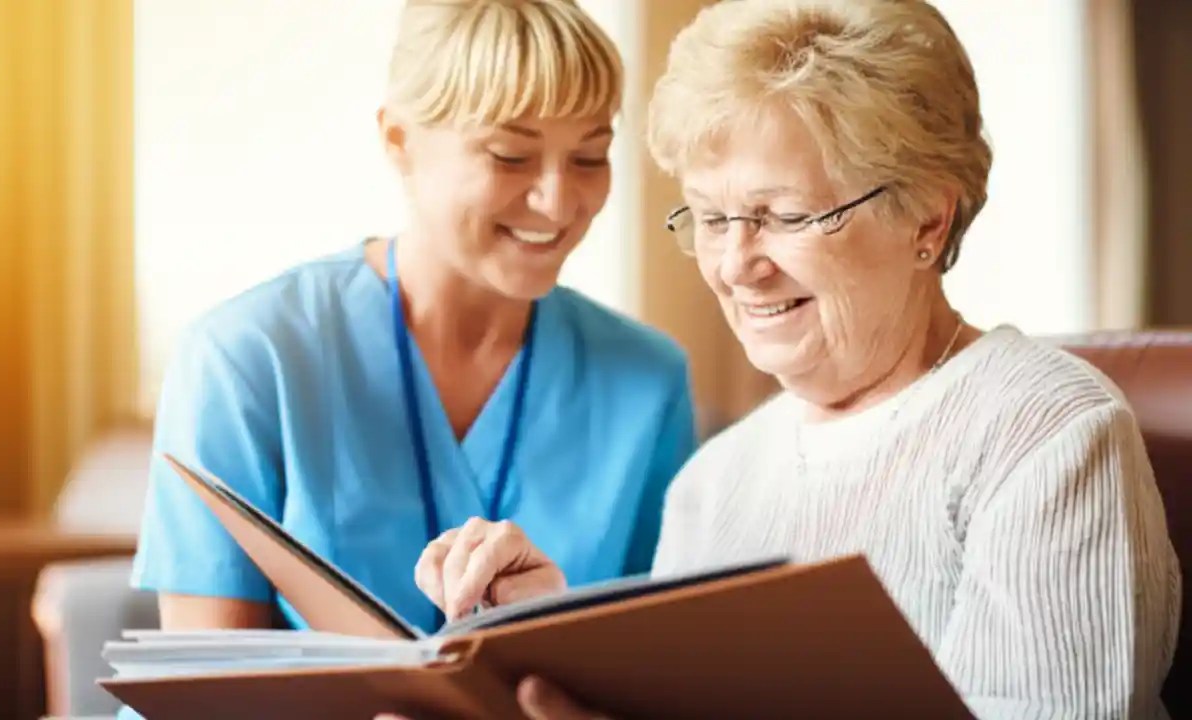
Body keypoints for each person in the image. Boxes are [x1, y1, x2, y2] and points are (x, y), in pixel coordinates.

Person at [402, 0, 1183, 718]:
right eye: (712, 217)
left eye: (785, 215)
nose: (737, 264)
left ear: (928, 218)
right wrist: (552, 643)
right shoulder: (713, 483)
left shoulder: (1047, 436)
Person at [130, 0, 697, 637]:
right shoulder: (245, 358)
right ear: (399, 142)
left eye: (590, 156)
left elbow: (649, 660)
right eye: (510, 155)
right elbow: (208, 684)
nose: (558, 199)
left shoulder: (649, 383)